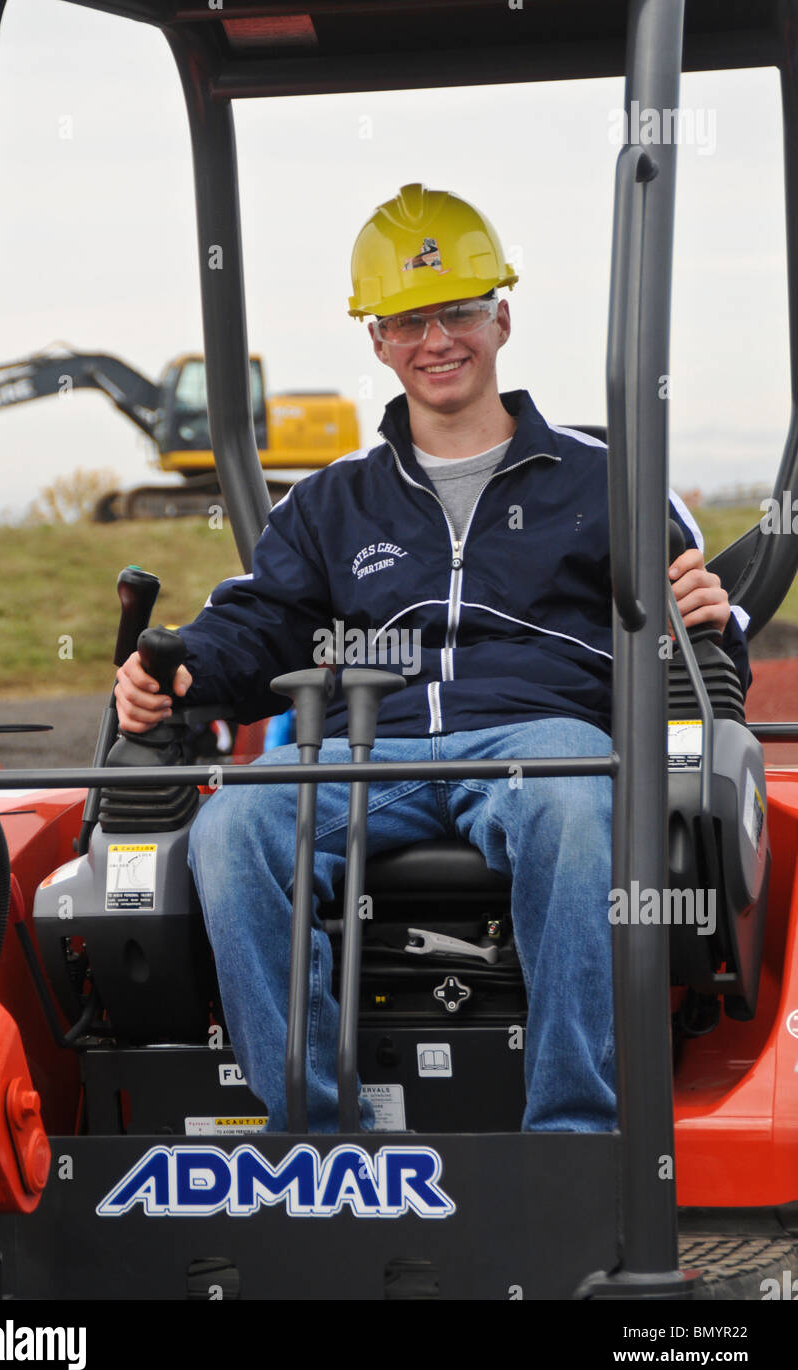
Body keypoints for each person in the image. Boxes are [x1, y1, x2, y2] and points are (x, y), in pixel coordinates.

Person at [114, 183, 748, 1134]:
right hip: (374, 749)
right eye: (406, 321)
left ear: (500, 317)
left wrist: (711, 616)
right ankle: (320, 1132)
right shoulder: (332, 502)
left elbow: (697, 634)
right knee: (231, 825)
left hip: (541, 746)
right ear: (376, 340)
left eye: (456, 312)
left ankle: (572, 1137)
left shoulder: (608, 478)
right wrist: (184, 670)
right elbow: (258, 623)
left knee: (579, 805)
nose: (434, 340)